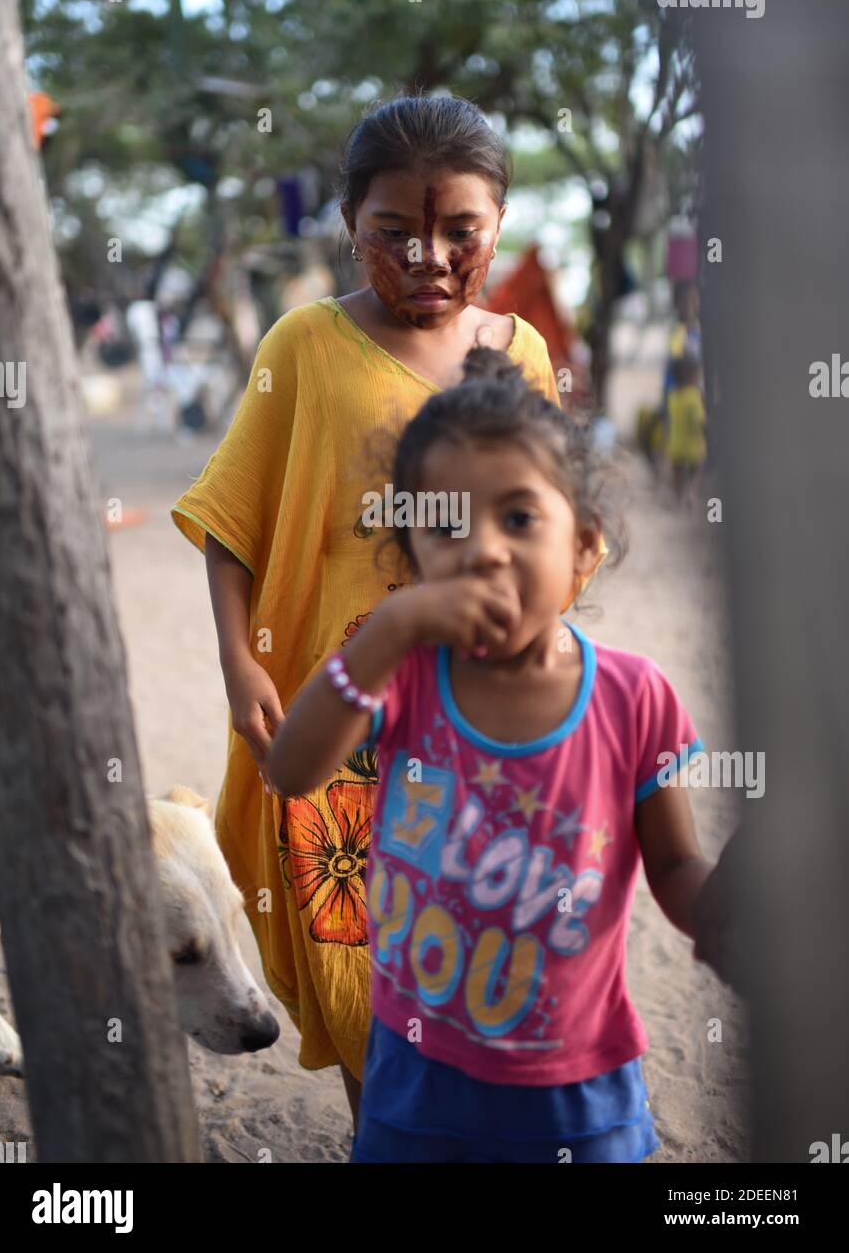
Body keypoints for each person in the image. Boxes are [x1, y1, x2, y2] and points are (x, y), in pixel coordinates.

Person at [170, 94, 604, 1127]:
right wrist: (240, 661)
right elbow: (234, 517)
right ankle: (389, 1134)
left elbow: (553, 528)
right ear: (348, 224)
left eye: (461, 231)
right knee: (364, 970)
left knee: (487, 954)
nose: (428, 257)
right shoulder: (306, 348)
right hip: (344, 734)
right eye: (393, 231)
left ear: (498, 220)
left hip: (485, 728)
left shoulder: (524, 351)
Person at [267, 346, 728, 1163]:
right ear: (411, 555)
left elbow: (675, 866)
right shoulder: (404, 675)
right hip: (415, 1087)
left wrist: (728, 919)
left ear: (584, 546)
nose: (481, 549)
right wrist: (390, 630)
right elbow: (291, 769)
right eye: (445, 524)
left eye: (518, 518)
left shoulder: (633, 697)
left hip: (576, 1101)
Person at [666, 353, 707, 507]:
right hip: (694, 446)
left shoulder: (672, 395)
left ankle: (678, 498)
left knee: (677, 473)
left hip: (675, 445)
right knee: (696, 470)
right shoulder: (693, 396)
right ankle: (692, 492)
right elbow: (698, 421)